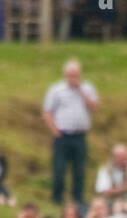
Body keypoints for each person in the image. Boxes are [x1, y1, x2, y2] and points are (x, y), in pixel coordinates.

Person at [42, 59, 98, 208]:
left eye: (76, 75)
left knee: (79, 170)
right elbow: (47, 111)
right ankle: (57, 198)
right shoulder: (56, 89)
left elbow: (94, 107)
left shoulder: (88, 88)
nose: (73, 78)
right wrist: (55, 130)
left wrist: (81, 91)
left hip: (80, 136)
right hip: (62, 136)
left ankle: (78, 199)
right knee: (59, 168)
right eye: (70, 75)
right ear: (65, 75)